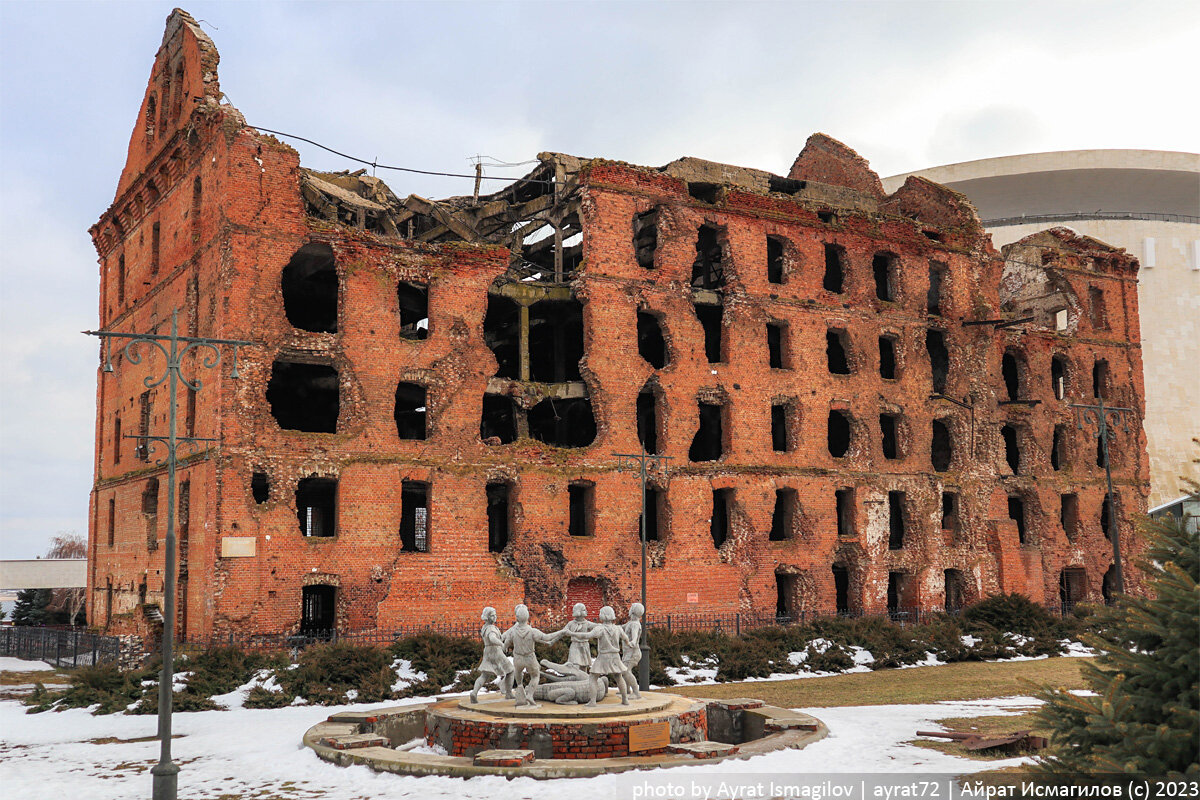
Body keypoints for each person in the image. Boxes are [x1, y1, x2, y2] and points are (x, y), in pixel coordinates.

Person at [502, 604, 561, 707]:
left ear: (517, 618)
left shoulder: (513, 631)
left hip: (518, 658)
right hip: (530, 657)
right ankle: (529, 694)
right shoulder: (532, 631)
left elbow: (506, 643)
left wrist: (504, 647)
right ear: (528, 617)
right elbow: (547, 637)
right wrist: (562, 632)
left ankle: (520, 690)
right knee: (535, 675)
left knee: (518, 675)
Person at [584, 605, 634, 706]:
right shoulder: (618, 628)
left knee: (593, 677)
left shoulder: (600, 629)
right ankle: (625, 700)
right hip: (615, 656)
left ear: (603, 615)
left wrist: (572, 634)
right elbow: (625, 638)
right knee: (619, 677)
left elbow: (588, 636)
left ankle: (592, 701)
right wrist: (629, 644)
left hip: (603, 656)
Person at [470, 606, 514, 703]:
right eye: (493, 616)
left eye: (495, 615)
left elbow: (500, 637)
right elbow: (493, 638)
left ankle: (474, 692)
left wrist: (510, 631)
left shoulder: (485, 627)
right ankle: (508, 692)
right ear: (488, 617)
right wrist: (502, 644)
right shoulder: (491, 628)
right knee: (511, 670)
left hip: (488, 652)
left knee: (484, 675)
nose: (495, 617)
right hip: (496, 651)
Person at [620, 602, 644, 700]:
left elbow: (634, 638)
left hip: (633, 653)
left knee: (626, 671)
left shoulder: (635, 624)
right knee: (625, 670)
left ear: (633, 611)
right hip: (628, 653)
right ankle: (627, 690)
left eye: (631, 608)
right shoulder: (630, 623)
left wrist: (632, 643)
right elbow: (621, 628)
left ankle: (636, 692)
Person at [563, 602, 594, 670]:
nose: (586, 611)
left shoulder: (587, 623)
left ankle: (584, 679)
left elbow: (597, 627)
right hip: (575, 645)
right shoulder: (571, 623)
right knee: (574, 664)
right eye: (584, 609)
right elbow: (563, 632)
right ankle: (574, 679)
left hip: (584, 645)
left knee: (584, 665)